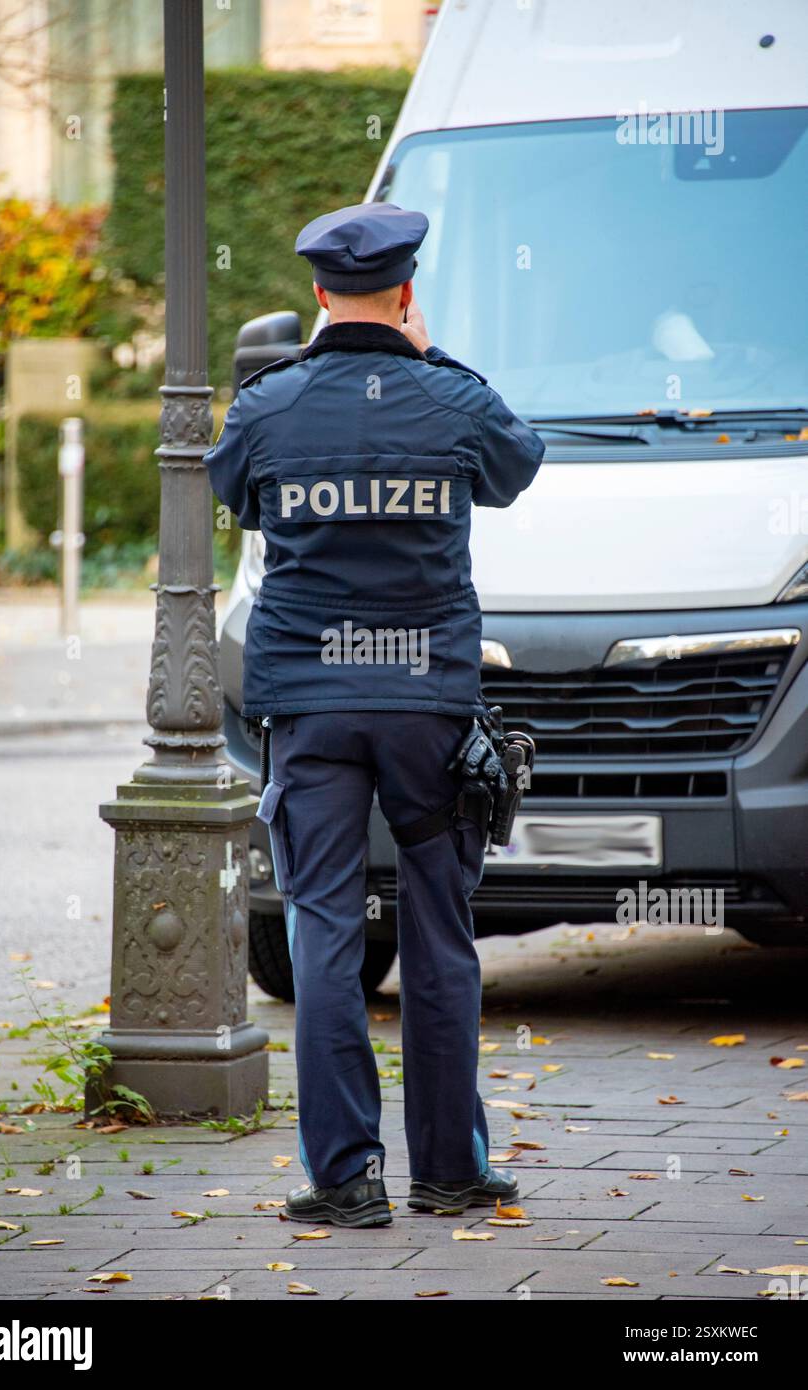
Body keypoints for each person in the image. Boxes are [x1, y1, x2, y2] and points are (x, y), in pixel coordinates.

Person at [205, 202, 544, 1228]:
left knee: (320, 931)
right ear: (406, 295)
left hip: (308, 707)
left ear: (317, 295)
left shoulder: (269, 404)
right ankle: (450, 1171)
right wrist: (434, 360)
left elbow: (235, 495)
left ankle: (346, 1179)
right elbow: (518, 468)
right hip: (426, 704)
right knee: (439, 935)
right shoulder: (450, 399)